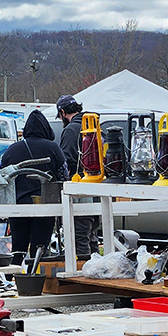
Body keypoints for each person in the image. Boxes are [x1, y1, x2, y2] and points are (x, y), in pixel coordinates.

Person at [0, 110, 68, 263]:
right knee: (40, 248)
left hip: (18, 207)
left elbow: (2, 178)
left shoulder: (12, 150)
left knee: (18, 247)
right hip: (45, 207)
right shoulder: (53, 148)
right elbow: (64, 176)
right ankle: (36, 279)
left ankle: (14, 279)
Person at [56, 94, 100, 259]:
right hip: (98, 192)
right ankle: (98, 272)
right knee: (92, 237)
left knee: (79, 238)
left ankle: (83, 278)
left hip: (80, 193)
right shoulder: (94, 124)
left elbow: (66, 161)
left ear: (62, 112)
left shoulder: (71, 130)